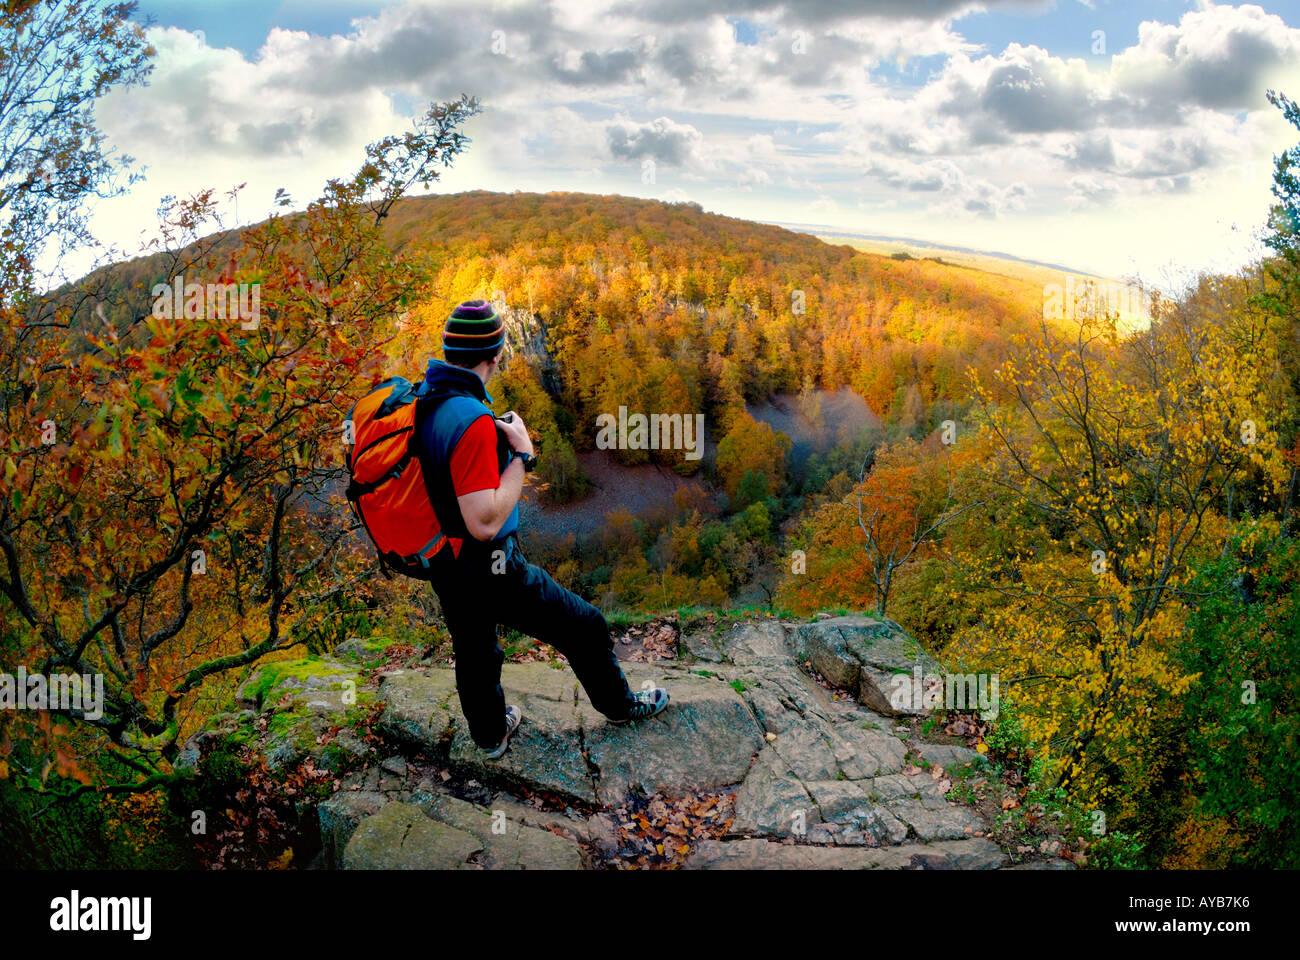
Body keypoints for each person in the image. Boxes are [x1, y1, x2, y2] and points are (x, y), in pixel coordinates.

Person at [414, 299, 670, 759]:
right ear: (494, 357)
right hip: (486, 564)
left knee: (475, 648)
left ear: (449, 351)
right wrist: (522, 456)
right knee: (584, 625)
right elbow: (485, 521)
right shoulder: (468, 420)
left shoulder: (425, 400)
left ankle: (490, 736)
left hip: (443, 559)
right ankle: (619, 706)